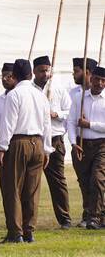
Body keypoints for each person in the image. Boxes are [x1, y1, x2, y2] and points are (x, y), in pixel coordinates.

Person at [0, 59, 51, 244]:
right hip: (38, 142)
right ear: (31, 74)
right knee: (32, 190)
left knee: (12, 188)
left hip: (18, 143)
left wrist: (1, 148)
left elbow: (8, 124)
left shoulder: (14, 94)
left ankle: (15, 232)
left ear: (15, 76)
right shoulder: (40, 95)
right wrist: (47, 150)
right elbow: (46, 124)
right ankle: (29, 231)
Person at [33, 55, 74, 229]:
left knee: (57, 180)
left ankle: (65, 218)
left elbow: (69, 111)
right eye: (42, 70)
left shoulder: (57, 88)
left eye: (47, 70)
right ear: (34, 71)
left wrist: (56, 114)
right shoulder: (30, 90)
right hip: (34, 140)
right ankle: (28, 220)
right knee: (30, 181)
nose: (45, 74)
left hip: (55, 139)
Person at [66, 64, 105, 228]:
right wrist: (74, 143)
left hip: (102, 145)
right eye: (97, 79)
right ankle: (93, 213)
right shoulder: (79, 98)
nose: (100, 83)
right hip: (81, 145)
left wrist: (89, 124)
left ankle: (94, 218)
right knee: (85, 182)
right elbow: (70, 122)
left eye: (104, 81)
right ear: (91, 78)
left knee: (98, 179)